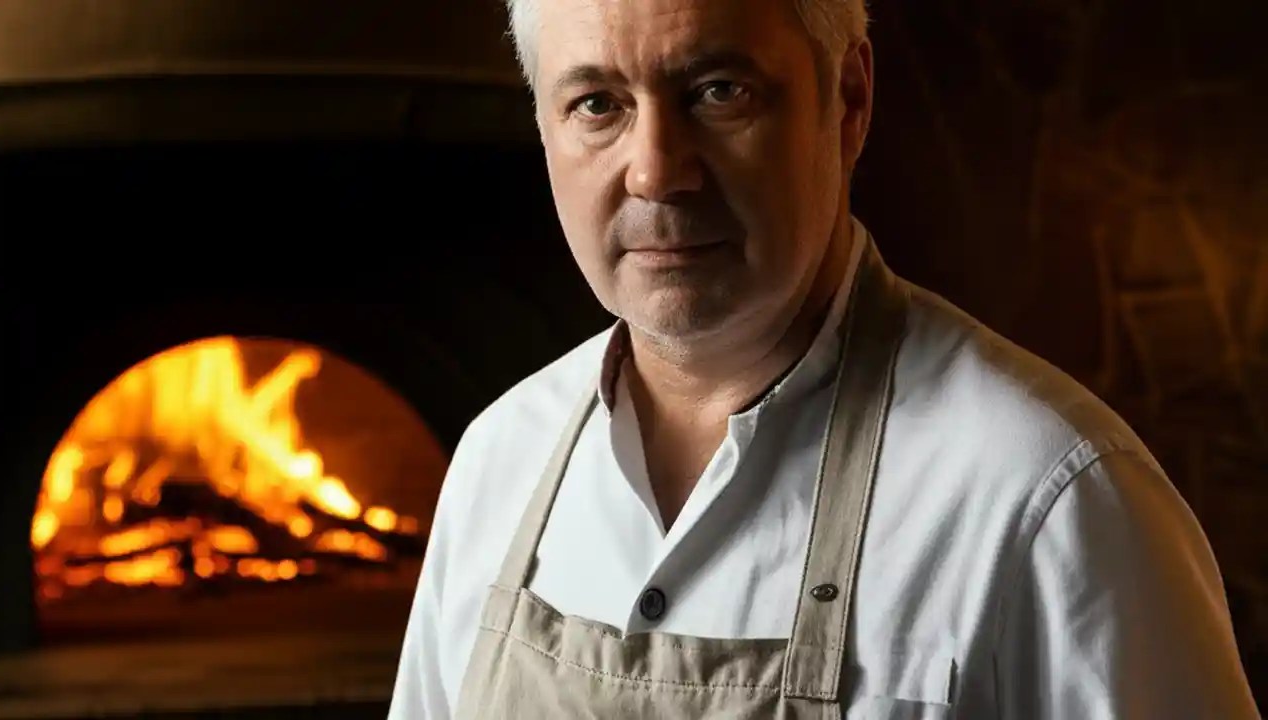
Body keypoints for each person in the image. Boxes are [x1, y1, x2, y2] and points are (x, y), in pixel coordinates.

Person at [388, 0, 1261, 717]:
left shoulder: (1049, 501)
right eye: (597, 105)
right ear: (544, 128)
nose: (657, 173)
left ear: (848, 101)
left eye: (718, 91)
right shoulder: (499, 461)